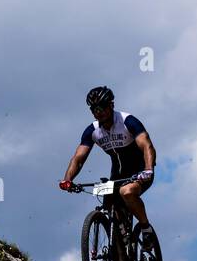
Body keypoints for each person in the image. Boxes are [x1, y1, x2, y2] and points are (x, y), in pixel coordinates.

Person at [59, 86, 157, 246]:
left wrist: (148, 169)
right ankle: (120, 250)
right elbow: (78, 158)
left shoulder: (127, 121)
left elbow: (147, 146)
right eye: (94, 109)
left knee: (126, 192)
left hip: (140, 171)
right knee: (107, 199)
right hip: (117, 176)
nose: (99, 112)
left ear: (111, 105)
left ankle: (146, 229)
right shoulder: (93, 130)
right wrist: (67, 180)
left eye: (102, 107)